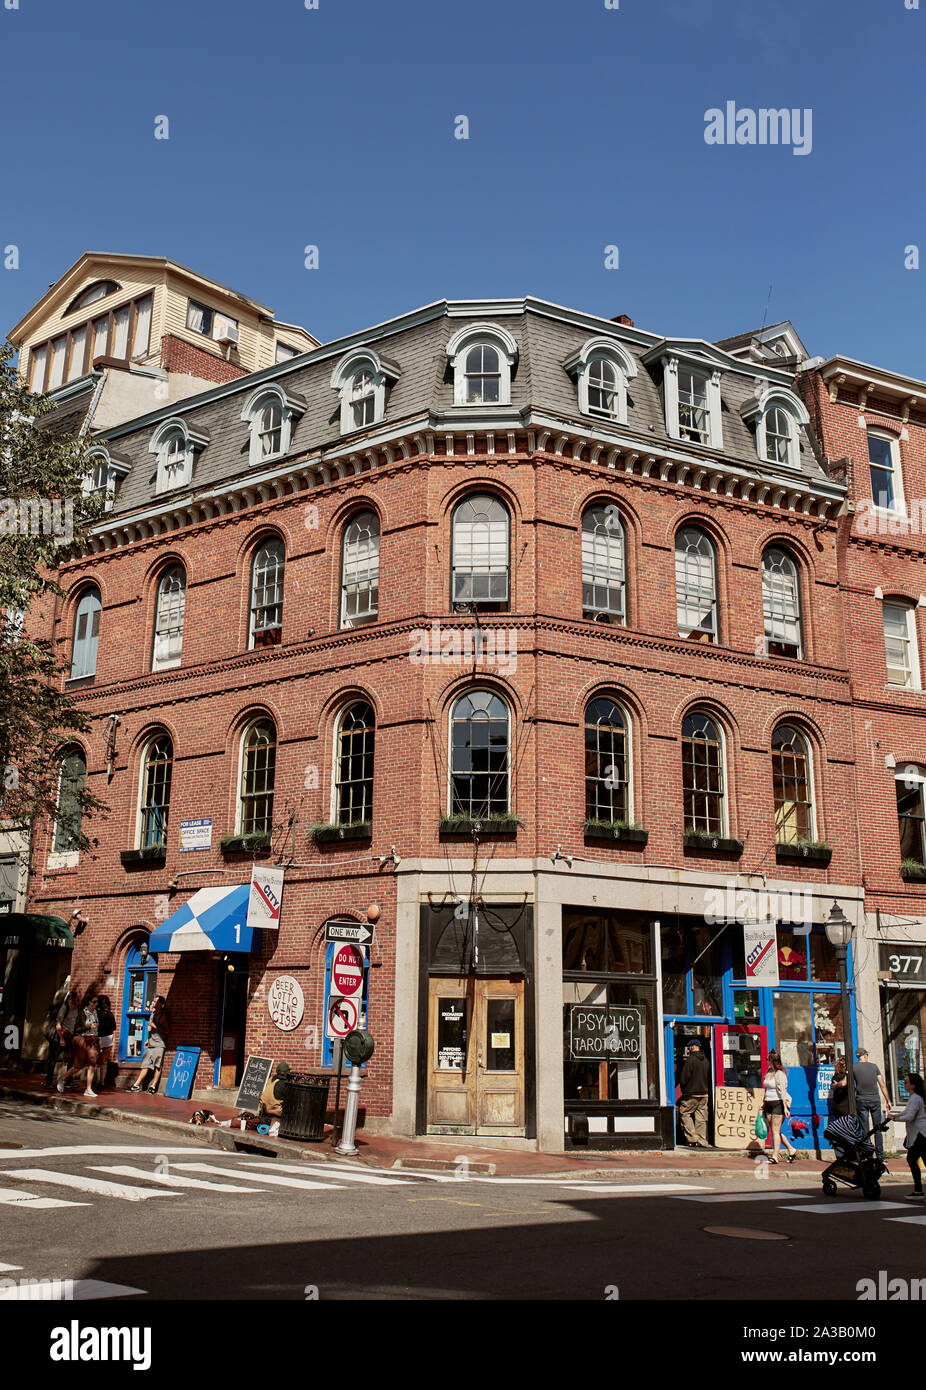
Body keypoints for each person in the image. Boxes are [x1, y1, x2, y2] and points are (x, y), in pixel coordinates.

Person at [57, 993, 100, 1097]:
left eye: (97, 1002)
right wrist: (89, 1027)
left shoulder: (95, 1013)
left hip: (93, 1041)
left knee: (92, 1064)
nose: (96, 1004)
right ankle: (62, 1078)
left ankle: (88, 1089)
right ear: (89, 1002)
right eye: (94, 1002)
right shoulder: (82, 1013)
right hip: (83, 1040)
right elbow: (77, 1029)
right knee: (78, 1066)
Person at [892, 1072, 926, 1200]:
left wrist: (895, 1118)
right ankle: (918, 1190)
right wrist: (895, 1116)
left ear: (912, 1085)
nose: (904, 1084)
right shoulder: (914, 1098)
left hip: (921, 1134)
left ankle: (918, 1190)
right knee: (913, 1159)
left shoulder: (916, 1098)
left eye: (906, 1082)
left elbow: (910, 1116)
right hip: (919, 1134)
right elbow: (906, 1112)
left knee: (912, 1159)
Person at [853, 1047, 892, 1160]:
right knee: (877, 1128)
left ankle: (868, 1155)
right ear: (864, 1056)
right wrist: (888, 1101)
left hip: (861, 1100)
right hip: (875, 1099)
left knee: (865, 1130)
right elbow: (882, 1084)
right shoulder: (874, 1067)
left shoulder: (854, 1067)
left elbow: (849, 1083)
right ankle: (880, 1156)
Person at [129, 996, 170, 1094]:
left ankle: (153, 1086)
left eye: (155, 1002)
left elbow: (166, 1031)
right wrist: (147, 1039)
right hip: (151, 1043)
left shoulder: (162, 1015)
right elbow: (150, 1030)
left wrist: (154, 1026)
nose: (153, 1003)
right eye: (153, 1001)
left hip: (160, 1044)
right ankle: (136, 1085)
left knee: (157, 1066)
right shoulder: (153, 1014)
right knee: (145, 1064)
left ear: (160, 1004)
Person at [762, 1049, 797, 1164]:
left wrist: (785, 1108)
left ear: (772, 1061)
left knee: (776, 1131)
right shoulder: (768, 1072)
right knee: (774, 1130)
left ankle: (775, 1156)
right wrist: (763, 1102)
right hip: (768, 1103)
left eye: (767, 1059)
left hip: (778, 1104)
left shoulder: (780, 1074)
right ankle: (791, 1149)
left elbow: (782, 1091)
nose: (766, 1061)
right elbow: (766, 1088)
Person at [678, 1040, 712, 1148]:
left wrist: (684, 1089)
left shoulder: (690, 1060)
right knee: (701, 1118)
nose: (689, 1049)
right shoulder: (706, 1060)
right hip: (704, 1093)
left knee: (685, 1113)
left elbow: (684, 1078)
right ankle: (702, 1140)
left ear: (693, 1047)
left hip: (691, 1093)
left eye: (690, 1047)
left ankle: (692, 1139)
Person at [44, 988, 78, 1089]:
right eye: (75, 1000)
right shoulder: (64, 1008)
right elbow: (58, 1025)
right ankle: (48, 1081)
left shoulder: (76, 1009)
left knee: (71, 1058)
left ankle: (68, 1081)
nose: (77, 1002)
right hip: (59, 1037)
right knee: (53, 1059)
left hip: (69, 1037)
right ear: (70, 999)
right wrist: (61, 1039)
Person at [95, 995, 116, 1091]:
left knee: (96, 1060)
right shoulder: (109, 1014)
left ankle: (96, 1081)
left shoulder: (96, 1013)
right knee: (103, 1062)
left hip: (100, 1037)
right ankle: (101, 1082)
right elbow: (114, 1027)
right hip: (107, 1037)